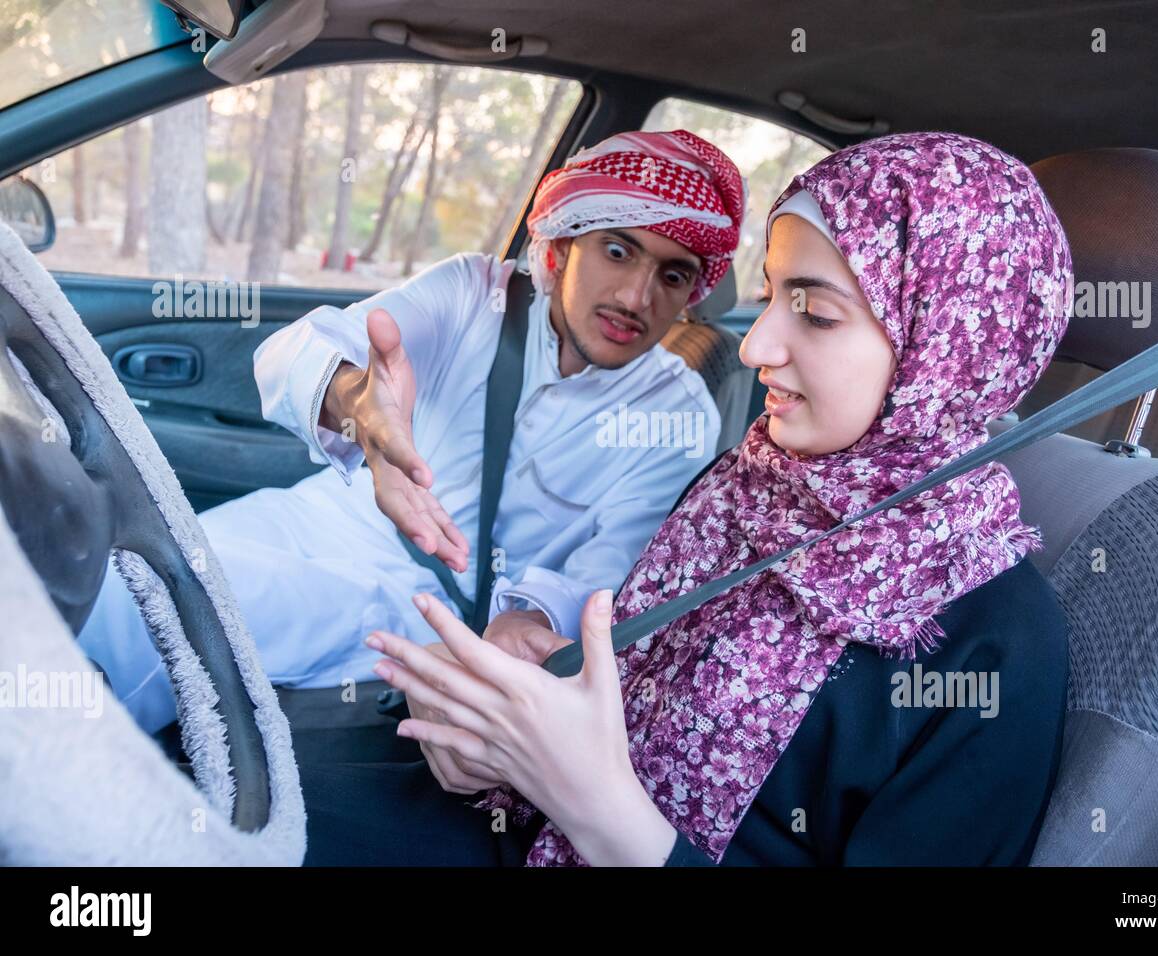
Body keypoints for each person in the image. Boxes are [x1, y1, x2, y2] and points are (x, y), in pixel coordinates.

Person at [301, 131, 1074, 866]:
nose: (755, 345)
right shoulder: (739, 489)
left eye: (816, 311)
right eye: (771, 296)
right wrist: (507, 719)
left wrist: (602, 811)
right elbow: (624, 686)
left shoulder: (994, 646)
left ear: (942, 347)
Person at [76, 130, 745, 735]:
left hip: (416, 603)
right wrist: (360, 405)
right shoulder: (473, 293)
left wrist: (533, 620)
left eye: (671, 275)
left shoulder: (678, 413)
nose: (636, 297)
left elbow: (614, 568)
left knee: (151, 611)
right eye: (619, 251)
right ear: (565, 245)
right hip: (318, 519)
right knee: (104, 572)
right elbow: (300, 348)